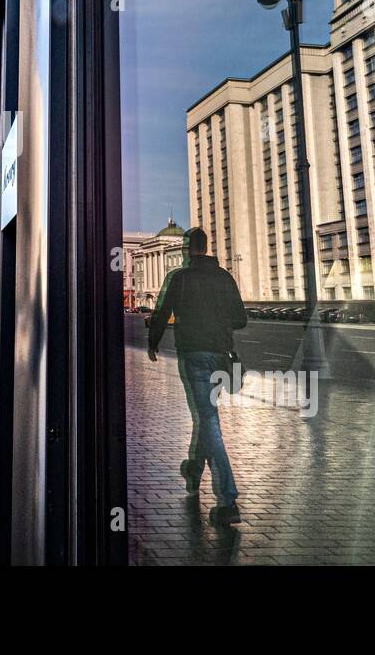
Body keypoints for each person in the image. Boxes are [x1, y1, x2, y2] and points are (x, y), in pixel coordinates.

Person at [146, 226, 247, 527]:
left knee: (208, 419)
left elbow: (162, 313)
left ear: (189, 248)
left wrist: (153, 343)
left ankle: (228, 500)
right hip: (220, 355)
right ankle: (193, 468)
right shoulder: (225, 277)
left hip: (194, 356)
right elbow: (240, 319)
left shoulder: (180, 278)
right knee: (206, 415)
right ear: (207, 247)